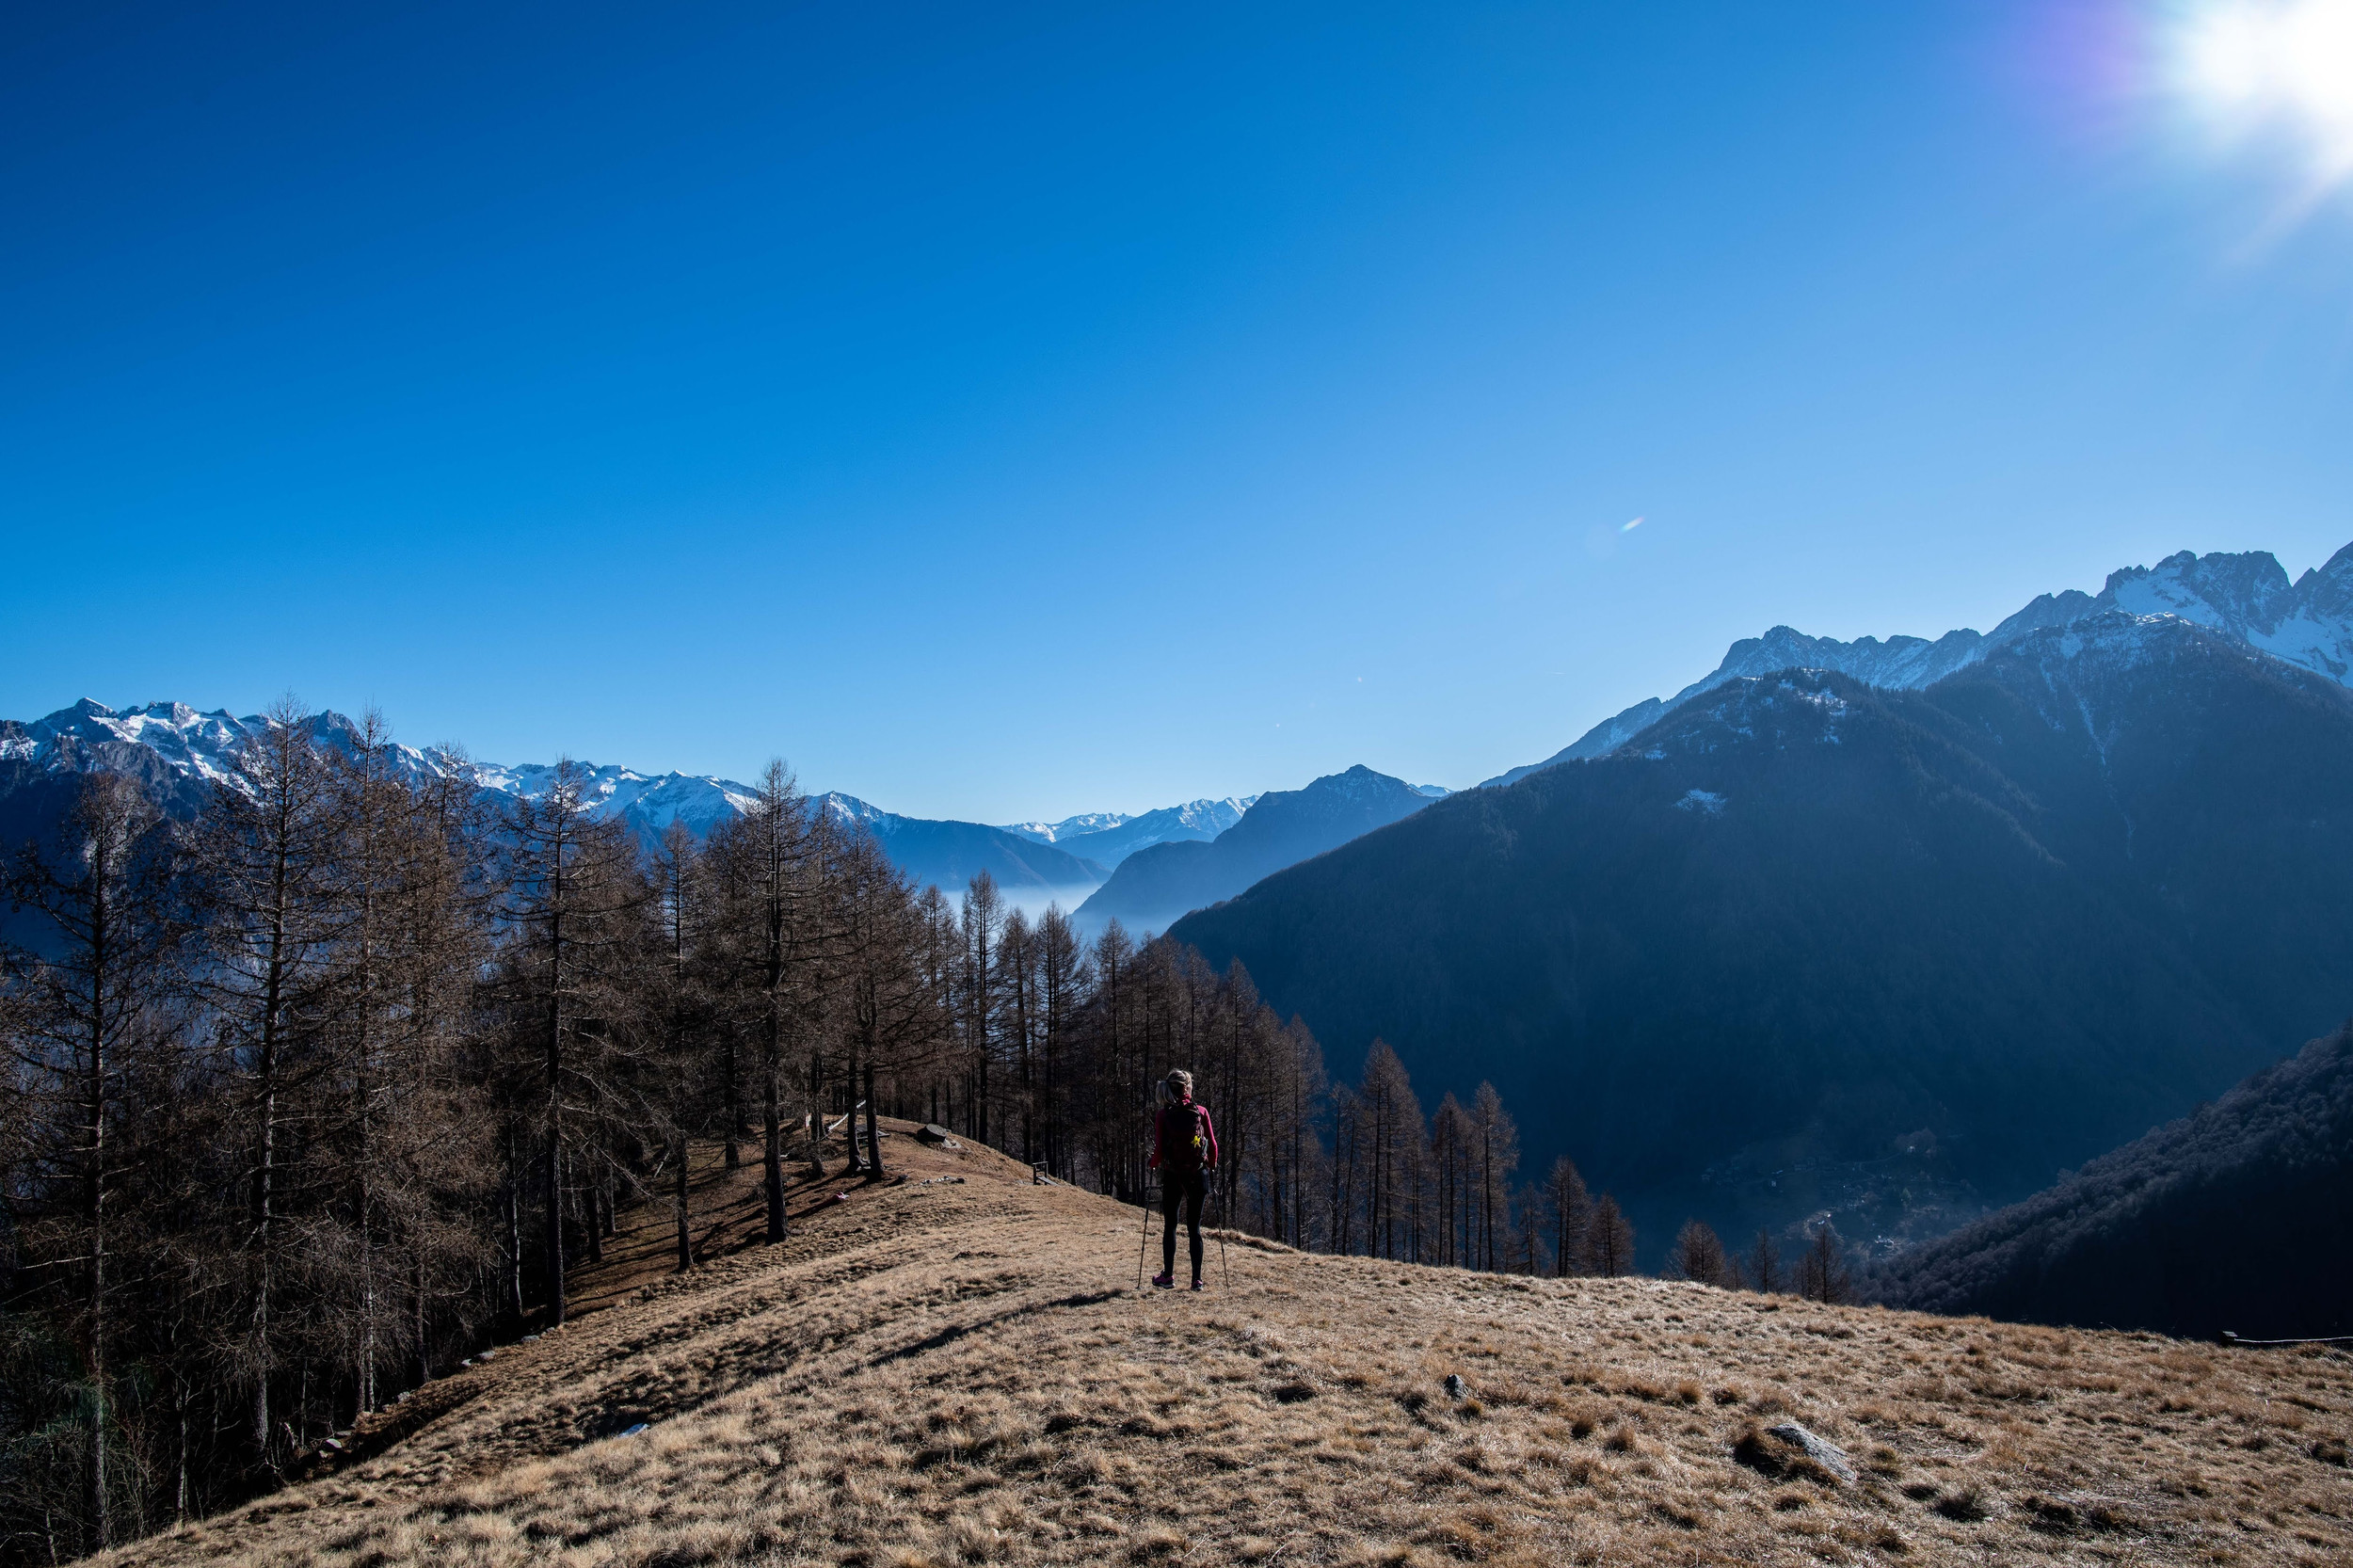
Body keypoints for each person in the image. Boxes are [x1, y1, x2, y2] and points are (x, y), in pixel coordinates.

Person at [1149, 1067, 1220, 1289]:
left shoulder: (1163, 1115)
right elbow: (1214, 1146)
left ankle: (1168, 1277)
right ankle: (1196, 1280)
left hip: (1173, 1176)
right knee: (1194, 1228)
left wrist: (1152, 1164)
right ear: (1187, 1088)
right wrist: (1211, 1164)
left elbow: (1159, 1151)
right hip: (1198, 1174)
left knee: (1170, 1225)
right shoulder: (1201, 1112)